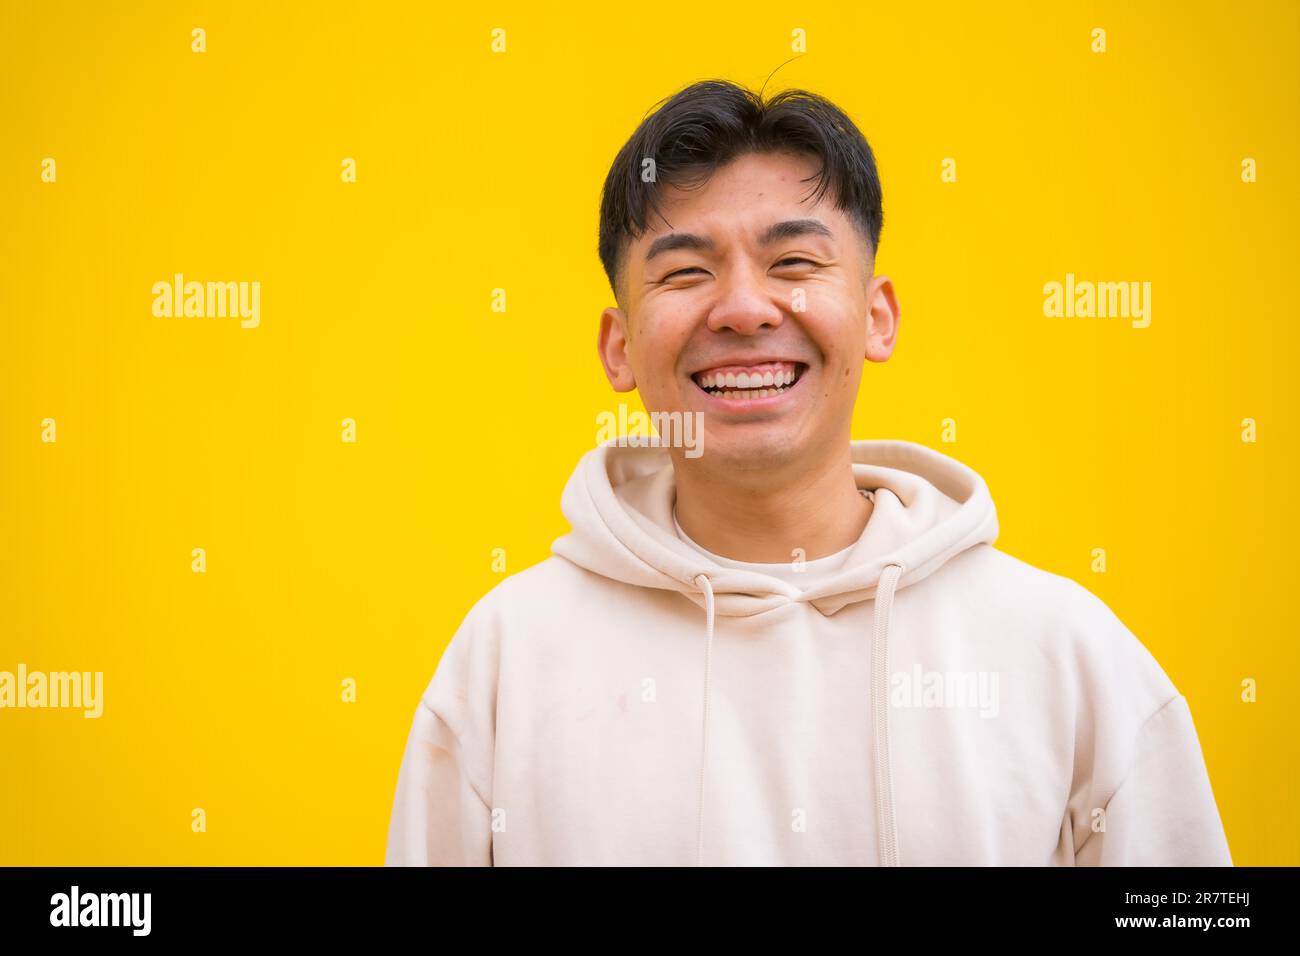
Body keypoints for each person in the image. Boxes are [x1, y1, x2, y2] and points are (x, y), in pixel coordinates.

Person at [384, 79, 1233, 866]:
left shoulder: (1067, 652)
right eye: (686, 272)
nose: (746, 308)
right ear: (619, 347)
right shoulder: (505, 659)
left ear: (876, 316)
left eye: (793, 263)